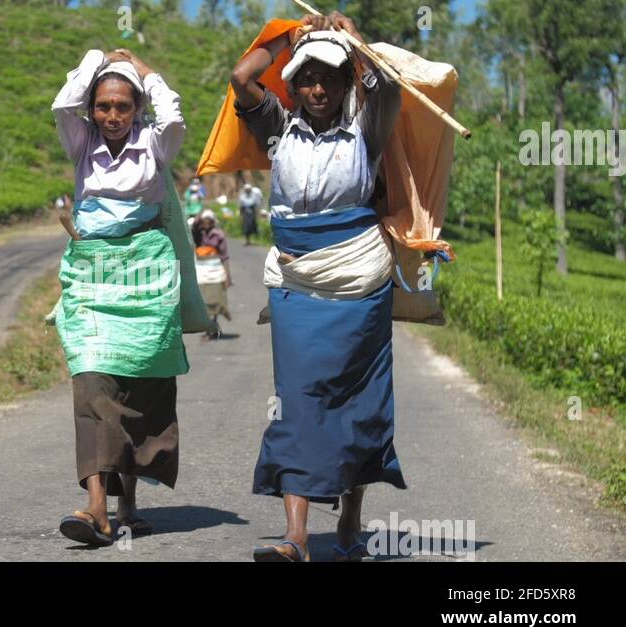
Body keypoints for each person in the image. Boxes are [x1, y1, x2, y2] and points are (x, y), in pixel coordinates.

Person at [230, 11, 404, 562]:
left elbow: (391, 87)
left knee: (355, 402)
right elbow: (242, 77)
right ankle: (297, 537)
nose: (318, 87)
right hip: (296, 282)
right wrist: (288, 36)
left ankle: (350, 518)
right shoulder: (278, 128)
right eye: (307, 76)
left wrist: (352, 42)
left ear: (348, 80)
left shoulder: (365, 130)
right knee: (298, 401)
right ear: (294, 83)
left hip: (359, 280)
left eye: (330, 77)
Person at [51, 46, 188, 546]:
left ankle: (128, 501)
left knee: (138, 382)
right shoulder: (80, 140)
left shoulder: (156, 144)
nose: (111, 116)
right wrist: (95, 60)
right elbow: (64, 105)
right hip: (91, 273)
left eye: (122, 106)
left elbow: (173, 113)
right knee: (90, 378)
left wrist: (146, 71)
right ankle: (95, 509)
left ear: (136, 110)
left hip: (145, 274)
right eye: (103, 106)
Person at [191, 208, 233, 335]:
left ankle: (213, 323)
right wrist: (199, 216)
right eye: (204, 221)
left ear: (213, 222)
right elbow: (193, 228)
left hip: (215, 269)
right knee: (203, 298)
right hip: (202, 269)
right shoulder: (199, 235)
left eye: (209, 221)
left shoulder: (218, 235)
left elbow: (224, 256)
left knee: (215, 298)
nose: (206, 224)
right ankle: (209, 325)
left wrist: (227, 275)